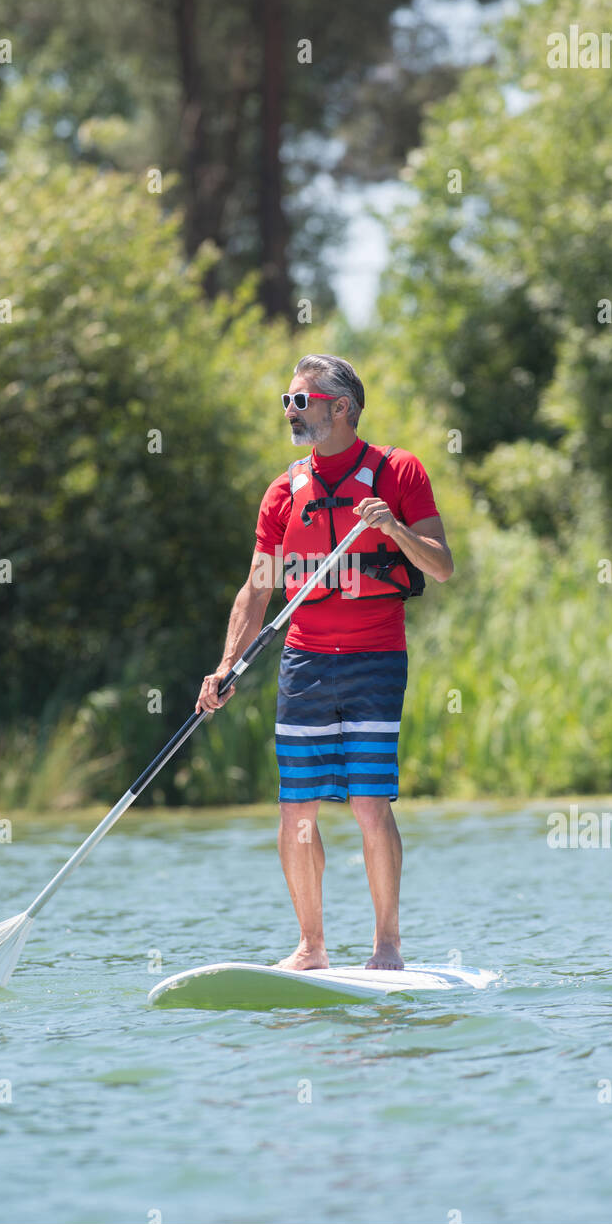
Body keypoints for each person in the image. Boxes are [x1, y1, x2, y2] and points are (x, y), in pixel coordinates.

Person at [195, 354, 453, 970]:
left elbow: (441, 567)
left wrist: (393, 529)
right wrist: (227, 664)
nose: (290, 411)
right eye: (286, 400)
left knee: (370, 803)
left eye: (301, 400)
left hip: (375, 659)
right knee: (297, 809)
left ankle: (385, 945)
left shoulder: (399, 472)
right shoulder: (284, 491)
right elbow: (258, 587)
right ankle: (311, 947)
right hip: (305, 663)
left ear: (342, 407)